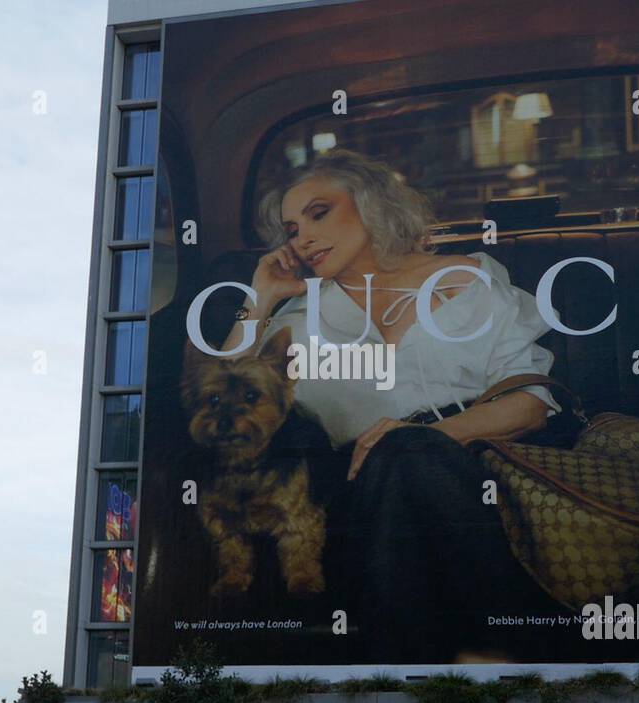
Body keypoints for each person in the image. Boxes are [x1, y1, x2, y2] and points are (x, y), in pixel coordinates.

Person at [219, 149, 562, 662]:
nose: (303, 238)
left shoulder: (468, 279)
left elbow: (531, 401)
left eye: (319, 213)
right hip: (357, 489)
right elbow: (223, 398)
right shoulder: (298, 317)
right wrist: (261, 296)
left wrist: (417, 438)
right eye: (291, 229)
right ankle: (509, 652)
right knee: (399, 466)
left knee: (410, 458)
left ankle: (416, 678)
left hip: (476, 472)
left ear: (372, 205)